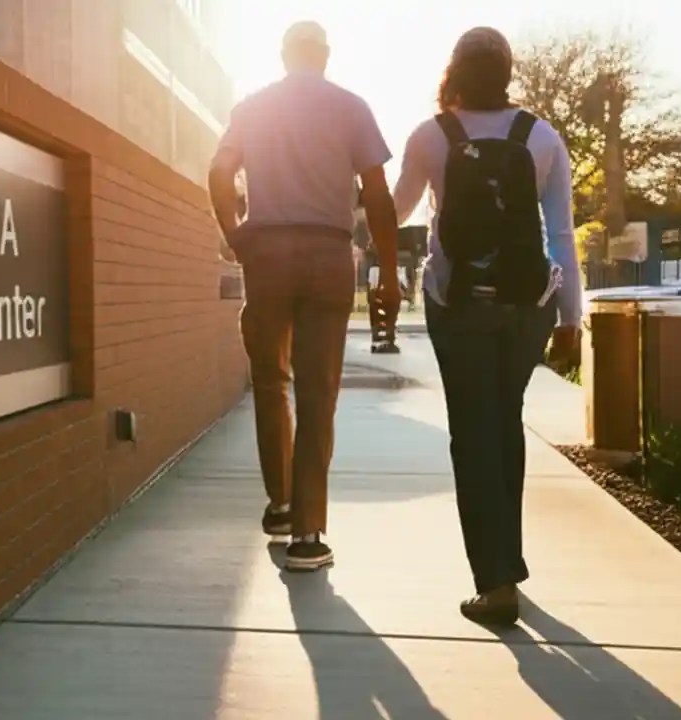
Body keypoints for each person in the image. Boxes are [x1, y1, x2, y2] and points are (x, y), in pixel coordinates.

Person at [391, 27, 583, 624]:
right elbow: (561, 234)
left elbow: (393, 213)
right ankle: (508, 563)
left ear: (454, 70)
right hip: (528, 307)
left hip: (461, 306)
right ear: (506, 72)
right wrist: (572, 316)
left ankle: (496, 581)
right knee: (504, 426)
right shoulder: (541, 136)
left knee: (472, 435)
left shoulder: (432, 136)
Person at [209, 20, 401, 572]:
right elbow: (378, 195)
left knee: (271, 381)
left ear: (284, 55)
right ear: (324, 55)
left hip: (266, 253)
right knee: (318, 392)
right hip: (326, 254)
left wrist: (235, 231)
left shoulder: (253, 108)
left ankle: (280, 505)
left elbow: (219, 172)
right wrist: (388, 270)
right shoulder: (351, 107)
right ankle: (308, 537)